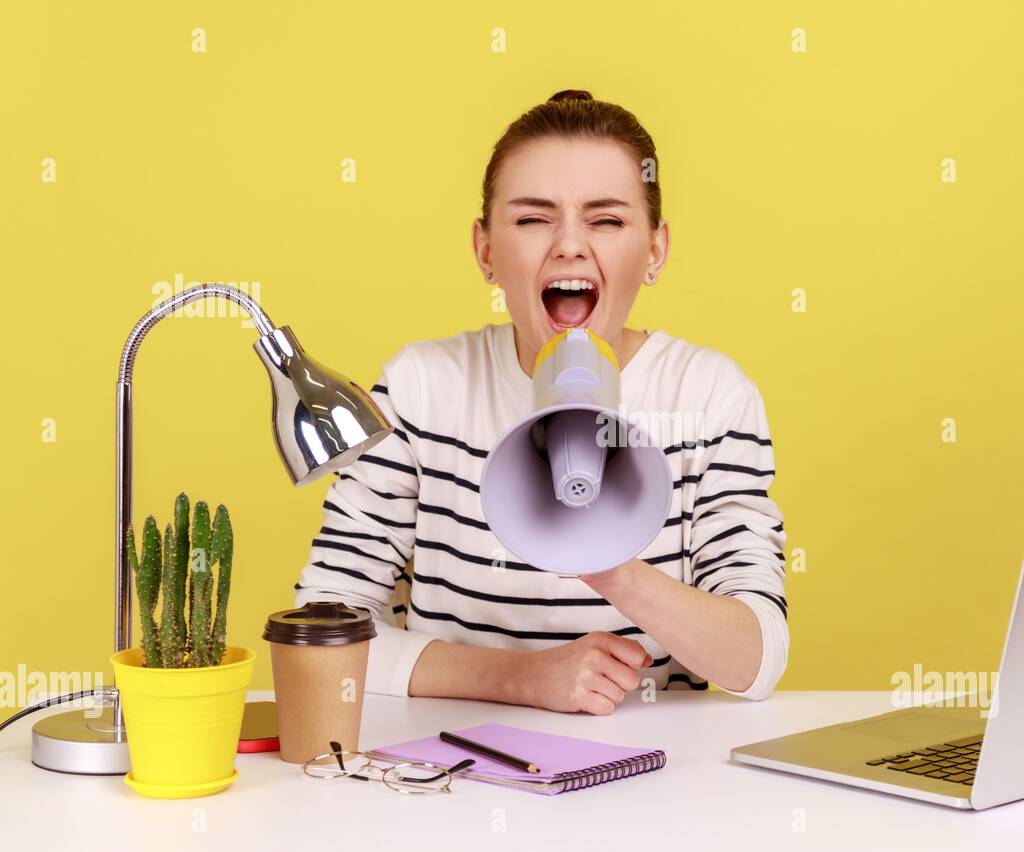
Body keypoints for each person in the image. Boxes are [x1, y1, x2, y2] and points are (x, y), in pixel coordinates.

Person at [293, 89, 788, 714]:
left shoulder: (710, 395)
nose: (570, 246)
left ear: (656, 250)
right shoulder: (423, 387)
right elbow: (322, 630)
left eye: (606, 220)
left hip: (654, 777)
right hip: (455, 771)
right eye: (532, 219)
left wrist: (615, 569)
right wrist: (520, 680)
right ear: (486, 252)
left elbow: (756, 659)